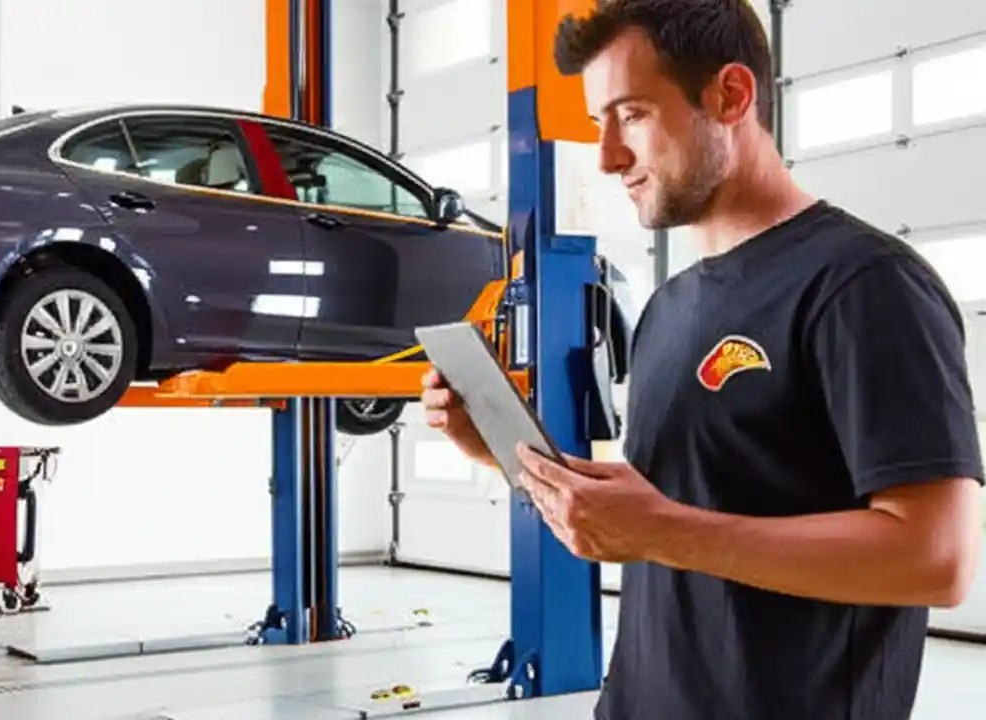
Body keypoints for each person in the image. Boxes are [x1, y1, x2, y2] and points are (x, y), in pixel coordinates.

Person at [421, 1, 984, 718]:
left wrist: (659, 529)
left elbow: (935, 558)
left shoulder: (862, 284)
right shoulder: (669, 307)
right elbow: (685, 495)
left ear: (731, 96)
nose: (607, 156)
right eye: (600, 122)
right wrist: (509, 456)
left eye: (631, 114)